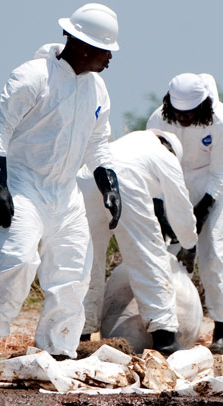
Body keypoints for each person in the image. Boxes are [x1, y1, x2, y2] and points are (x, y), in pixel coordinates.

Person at [0, 3, 122, 375]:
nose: (110, 60)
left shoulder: (97, 88)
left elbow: (97, 141)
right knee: (19, 261)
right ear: (84, 47)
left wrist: (109, 184)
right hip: (23, 187)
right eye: (107, 51)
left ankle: (57, 353)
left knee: (73, 273)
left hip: (65, 193)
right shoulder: (33, 76)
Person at [79, 129, 198, 355]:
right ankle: (164, 337)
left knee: (85, 260)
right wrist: (189, 243)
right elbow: (180, 207)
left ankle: (80, 335)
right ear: (170, 147)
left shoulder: (129, 143)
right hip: (125, 178)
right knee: (147, 255)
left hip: (88, 178)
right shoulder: (164, 154)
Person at [146, 73, 223, 354]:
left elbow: (222, 169)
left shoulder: (222, 120)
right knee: (168, 250)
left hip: (215, 181)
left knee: (216, 253)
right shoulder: (157, 121)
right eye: (178, 113)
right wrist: (162, 209)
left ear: (204, 105)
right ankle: (169, 325)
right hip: (173, 179)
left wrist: (203, 208)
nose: (184, 118)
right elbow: (154, 166)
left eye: (190, 113)